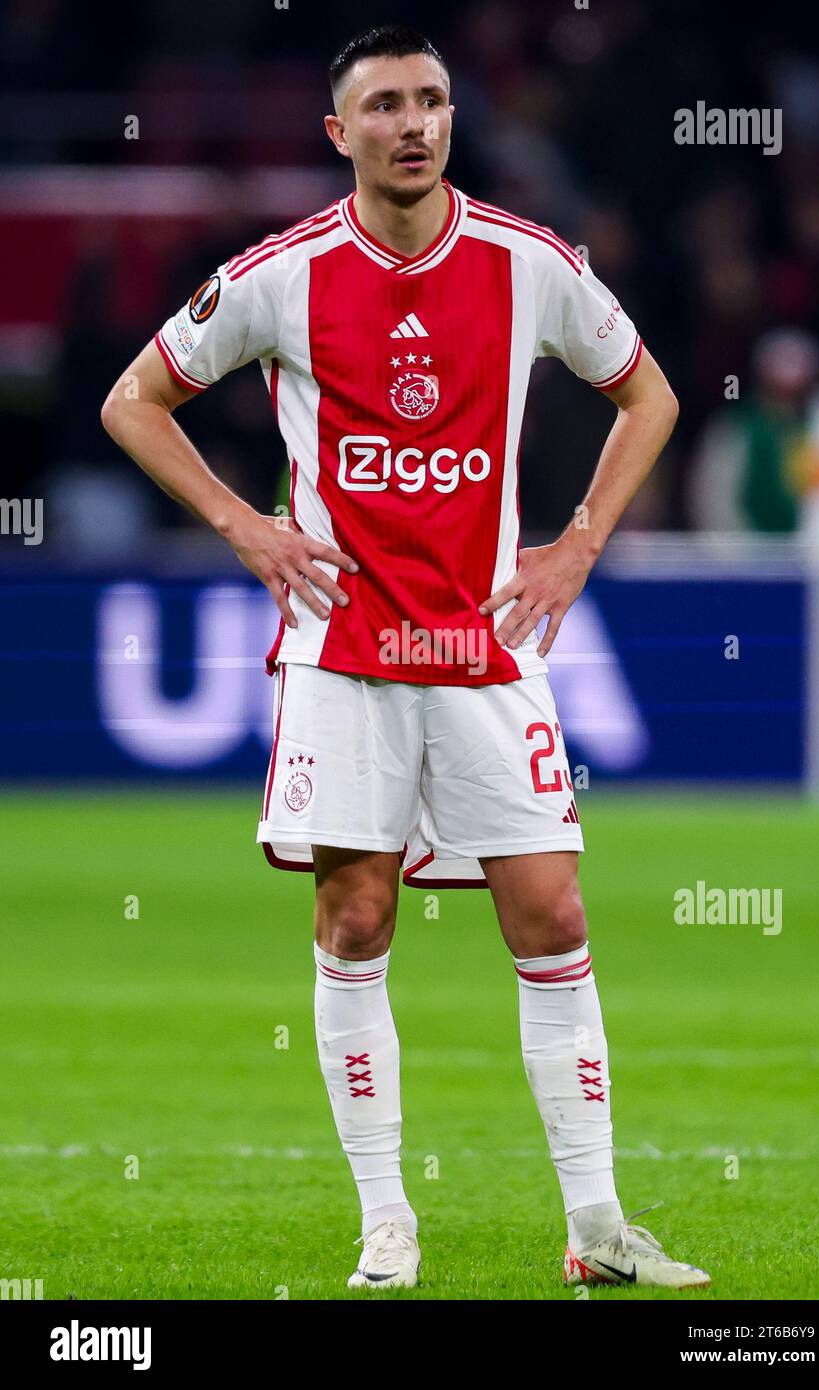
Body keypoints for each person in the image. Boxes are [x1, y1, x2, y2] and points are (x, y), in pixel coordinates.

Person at [102, 23, 708, 1293]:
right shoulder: (283, 274)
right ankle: (388, 1218)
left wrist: (577, 544)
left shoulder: (529, 264)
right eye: (385, 105)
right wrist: (244, 524)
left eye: (430, 100)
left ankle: (596, 1230)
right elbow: (131, 399)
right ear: (341, 134)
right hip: (344, 656)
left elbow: (647, 393)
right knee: (357, 914)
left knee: (551, 912)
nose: (415, 123)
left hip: (485, 649)